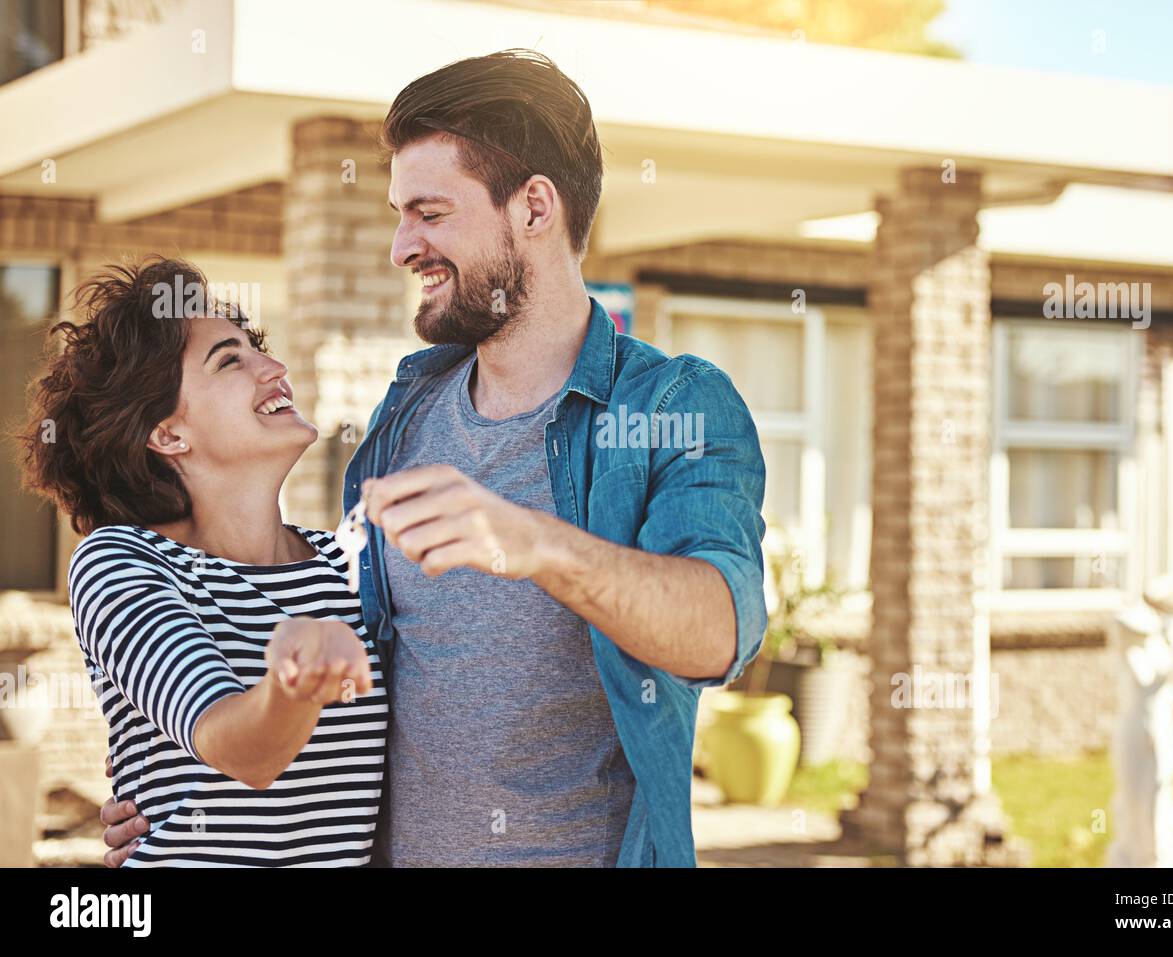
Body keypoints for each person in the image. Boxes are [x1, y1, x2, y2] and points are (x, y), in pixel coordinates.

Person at [101, 48, 767, 868]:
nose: (400, 246)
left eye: (429, 212)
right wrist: (177, 797)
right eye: (398, 213)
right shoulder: (407, 412)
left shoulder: (673, 407)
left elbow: (721, 628)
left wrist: (538, 544)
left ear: (533, 207)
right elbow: (332, 674)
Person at [19, 258, 389, 866]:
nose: (275, 369)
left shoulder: (349, 564)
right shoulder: (124, 564)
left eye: (256, 349)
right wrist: (298, 686)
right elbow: (239, 749)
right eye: (229, 360)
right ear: (166, 434)